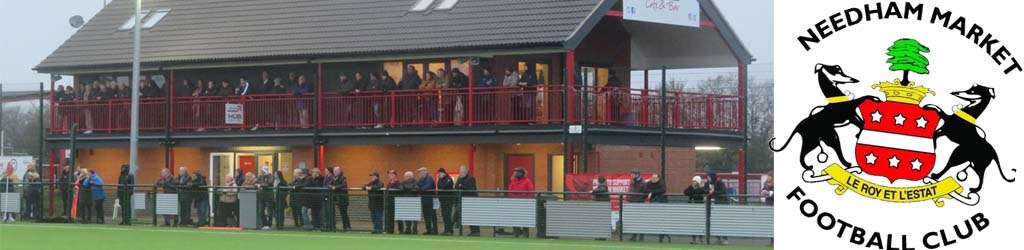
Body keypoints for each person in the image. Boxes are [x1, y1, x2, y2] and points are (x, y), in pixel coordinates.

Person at [507, 167, 534, 238]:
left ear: (522, 173)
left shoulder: (527, 181)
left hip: (524, 203)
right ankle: (516, 233)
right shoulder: (513, 181)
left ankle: (525, 234)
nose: (516, 173)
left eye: (518, 172)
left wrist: (527, 200)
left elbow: (530, 192)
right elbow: (510, 191)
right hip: (514, 203)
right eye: (516, 172)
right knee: (514, 219)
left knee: (524, 219)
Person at [453, 165, 479, 236]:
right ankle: (456, 223)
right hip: (461, 200)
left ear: (467, 171)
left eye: (462, 170)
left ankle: (475, 231)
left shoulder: (471, 178)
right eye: (460, 170)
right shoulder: (459, 178)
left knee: (472, 216)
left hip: (471, 201)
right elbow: (456, 187)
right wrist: (460, 187)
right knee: (459, 212)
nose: (461, 172)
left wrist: (462, 186)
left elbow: (471, 189)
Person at [326, 166, 351, 231]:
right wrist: (330, 186)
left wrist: (336, 187)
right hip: (336, 198)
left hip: (343, 198)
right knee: (341, 213)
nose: (334, 172)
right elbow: (328, 184)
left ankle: (346, 227)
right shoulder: (333, 178)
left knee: (344, 213)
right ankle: (345, 226)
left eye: (336, 171)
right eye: (334, 171)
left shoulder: (343, 178)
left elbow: (344, 185)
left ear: (339, 171)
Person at [706, 172, 728, 245]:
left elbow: (723, 191)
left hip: (722, 205)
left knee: (722, 222)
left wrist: (713, 192)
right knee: (716, 222)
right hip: (716, 205)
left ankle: (725, 239)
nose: (708, 179)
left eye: (708, 177)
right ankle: (718, 238)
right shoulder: (711, 184)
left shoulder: (720, 182)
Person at [415, 167, 438, 235]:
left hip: (430, 199)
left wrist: (420, 189)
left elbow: (426, 187)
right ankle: (429, 230)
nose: (419, 173)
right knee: (426, 215)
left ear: (425, 172)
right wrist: (420, 188)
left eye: (420, 172)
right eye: (419, 172)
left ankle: (435, 230)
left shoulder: (429, 178)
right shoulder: (421, 179)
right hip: (424, 199)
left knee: (432, 215)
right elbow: (416, 186)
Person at [683, 175, 706, 244]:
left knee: (699, 224)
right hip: (692, 208)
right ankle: (694, 239)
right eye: (693, 181)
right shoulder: (691, 187)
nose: (693, 182)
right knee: (693, 224)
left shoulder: (701, 188)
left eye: (695, 181)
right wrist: (692, 189)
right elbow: (685, 192)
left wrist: (693, 191)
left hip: (699, 208)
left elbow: (699, 193)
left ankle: (701, 239)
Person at [627, 168, 646, 241]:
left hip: (639, 203)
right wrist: (629, 198)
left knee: (640, 220)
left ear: (637, 174)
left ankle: (641, 236)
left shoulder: (643, 183)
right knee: (633, 220)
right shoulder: (632, 182)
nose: (631, 175)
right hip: (632, 202)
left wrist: (639, 199)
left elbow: (645, 193)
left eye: (633, 174)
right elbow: (631, 190)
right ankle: (633, 236)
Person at [435, 168, 455, 235]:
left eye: (440, 173)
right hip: (442, 200)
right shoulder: (440, 179)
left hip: (448, 200)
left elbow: (444, 187)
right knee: (444, 215)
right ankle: (447, 229)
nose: (439, 175)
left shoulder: (449, 179)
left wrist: (441, 189)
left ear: (443, 173)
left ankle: (449, 230)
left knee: (447, 215)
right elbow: (439, 187)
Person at [384, 169, 401, 234]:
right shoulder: (389, 183)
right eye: (389, 174)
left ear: (395, 175)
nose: (389, 175)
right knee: (390, 216)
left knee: (398, 217)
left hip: (396, 201)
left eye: (391, 174)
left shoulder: (397, 182)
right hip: (390, 201)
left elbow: (400, 189)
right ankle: (390, 229)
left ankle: (400, 230)